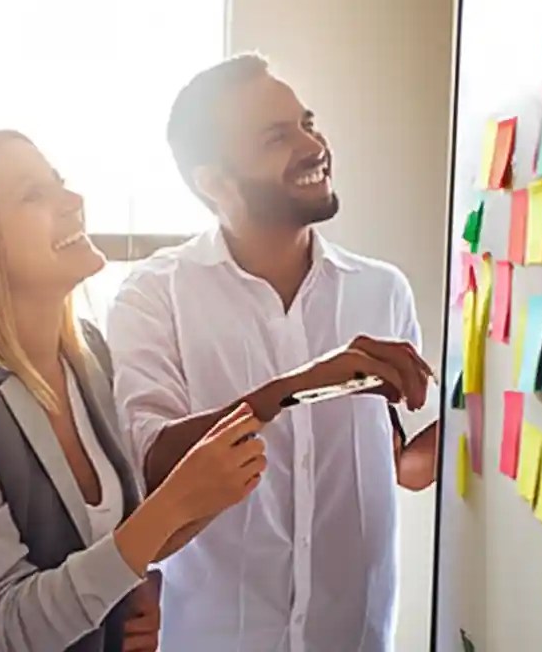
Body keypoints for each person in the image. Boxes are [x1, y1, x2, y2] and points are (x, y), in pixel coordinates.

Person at [0, 130, 270, 652]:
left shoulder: (88, 354)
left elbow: (118, 547)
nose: (73, 202)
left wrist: (189, 520)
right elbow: (7, 622)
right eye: (33, 194)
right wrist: (173, 506)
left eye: (59, 183)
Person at [106, 53, 440, 652]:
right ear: (212, 182)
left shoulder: (382, 291)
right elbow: (153, 466)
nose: (312, 145)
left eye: (308, 123)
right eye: (276, 136)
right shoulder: (153, 296)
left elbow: (397, 462)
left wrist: (480, 423)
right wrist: (300, 385)